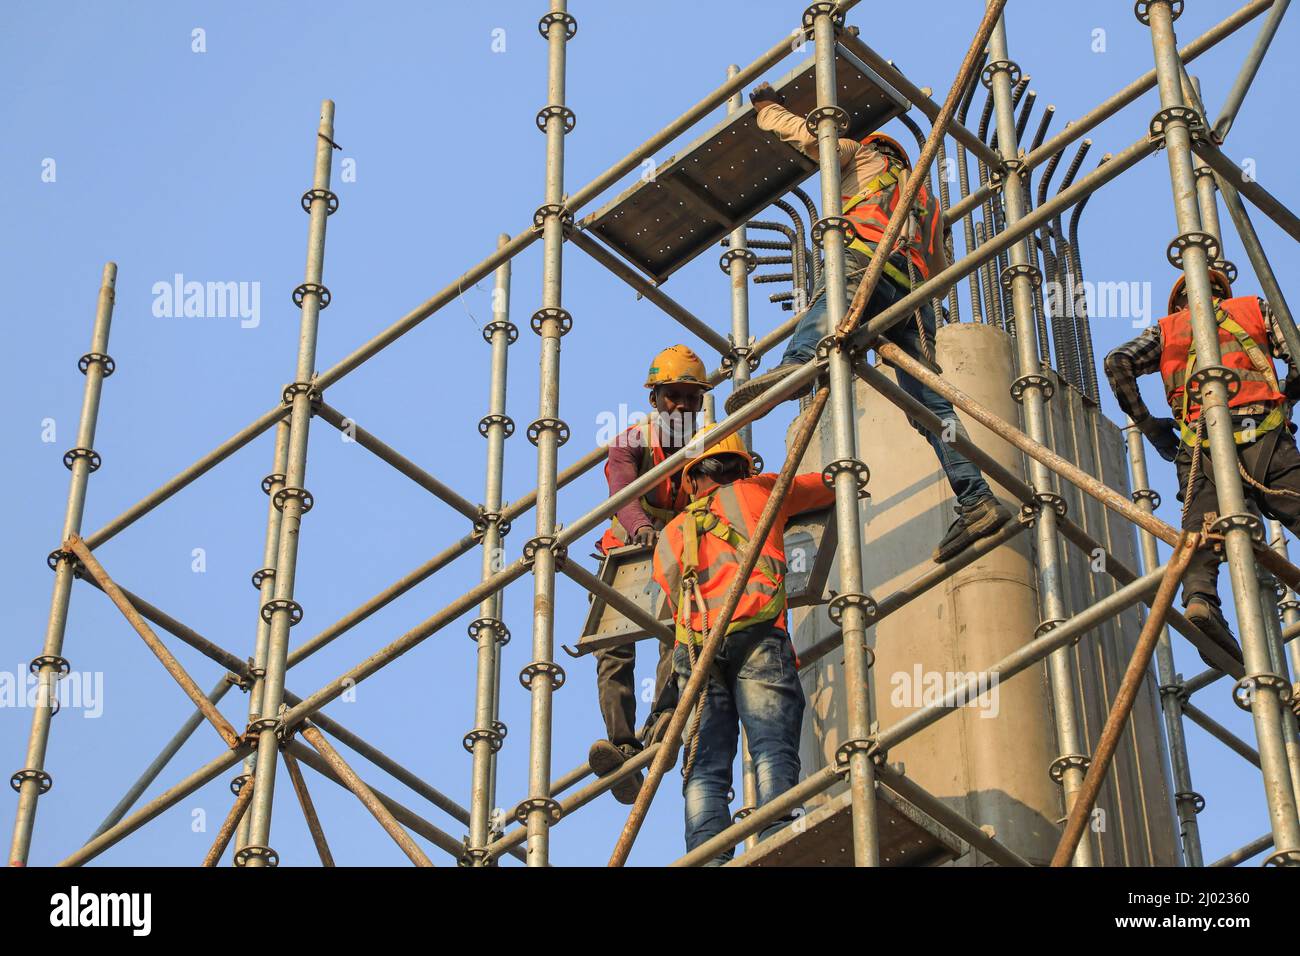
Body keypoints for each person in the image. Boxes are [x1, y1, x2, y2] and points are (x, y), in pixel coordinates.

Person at [725, 81, 1011, 563]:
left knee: (825, 307)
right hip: (911, 304)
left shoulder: (863, 156)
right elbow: (940, 270)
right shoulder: (926, 201)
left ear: (877, 145)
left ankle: (793, 367)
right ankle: (976, 499)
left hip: (865, 264)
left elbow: (815, 140)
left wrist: (768, 112)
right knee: (933, 412)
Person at [651, 423, 833, 864]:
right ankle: (775, 832)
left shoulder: (670, 533)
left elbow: (667, 596)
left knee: (705, 767)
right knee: (771, 742)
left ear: (694, 477)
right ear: (739, 466)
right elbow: (825, 486)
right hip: (756, 631)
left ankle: (708, 856)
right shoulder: (758, 492)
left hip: (695, 653)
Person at [1104, 270, 1300, 668]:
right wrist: (1287, 399)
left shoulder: (1167, 329)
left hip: (1202, 443)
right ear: (1221, 293)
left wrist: (1149, 425)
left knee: (1202, 530)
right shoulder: (1254, 310)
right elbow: (1297, 354)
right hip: (1265, 433)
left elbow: (1117, 361)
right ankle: (1200, 601)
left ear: (1179, 303)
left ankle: (1200, 600)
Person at [588, 345, 710, 803]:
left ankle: (662, 725)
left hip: (679, 561)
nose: (680, 405)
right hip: (627, 554)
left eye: (689, 396)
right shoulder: (632, 441)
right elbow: (622, 491)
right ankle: (622, 747)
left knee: (677, 641)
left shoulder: (707, 449)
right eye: (671, 396)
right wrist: (641, 528)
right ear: (655, 399)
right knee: (614, 648)